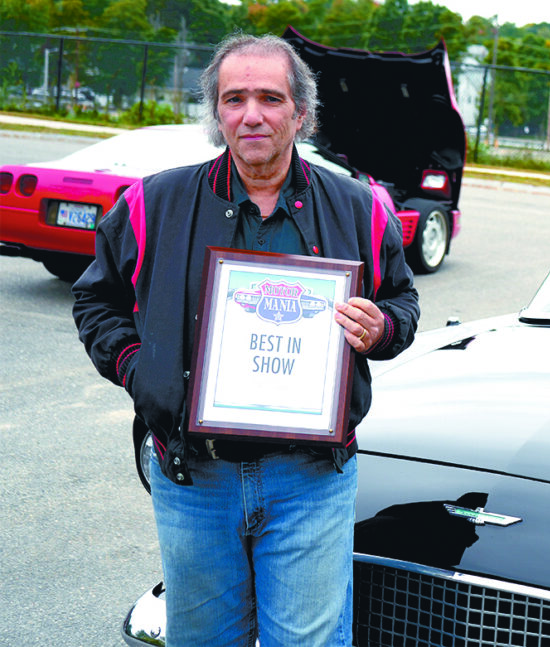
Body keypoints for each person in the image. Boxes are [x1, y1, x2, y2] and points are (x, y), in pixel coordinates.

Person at [72, 33, 419, 646]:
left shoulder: (360, 209)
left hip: (311, 481)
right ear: (217, 112)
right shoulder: (153, 203)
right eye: (234, 99)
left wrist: (382, 328)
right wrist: (138, 365)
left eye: (269, 98)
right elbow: (95, 299)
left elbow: (402, 302)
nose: (251, 114)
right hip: (193, 480)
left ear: (300, 113)